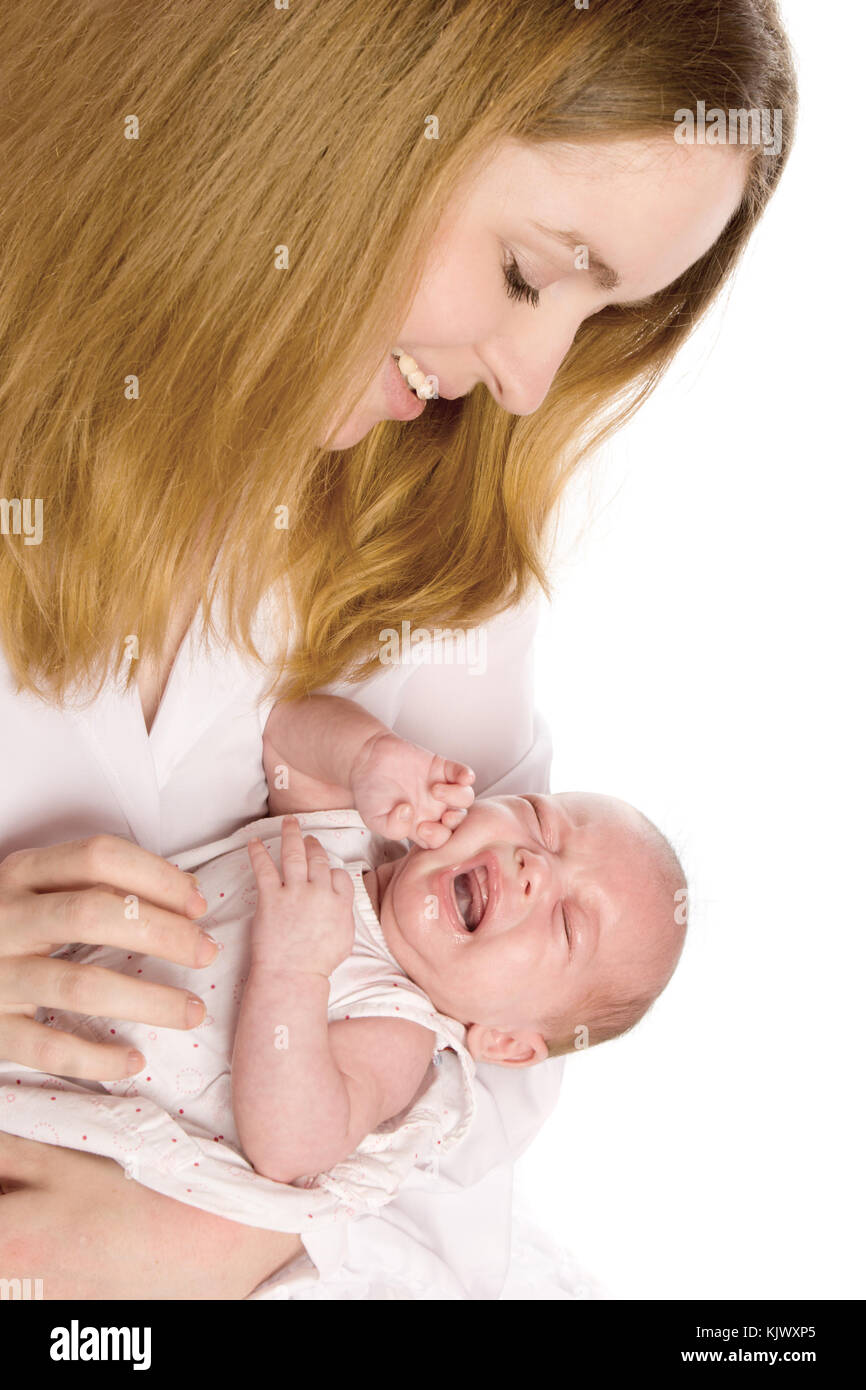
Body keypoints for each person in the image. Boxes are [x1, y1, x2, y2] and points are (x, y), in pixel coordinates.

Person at [0, 0, 796, 1299]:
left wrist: (197, 1247)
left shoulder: (433, 527)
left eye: (597, 314)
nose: (532, 380)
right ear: (326, 131)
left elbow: (481, 1091)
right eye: (532, 273)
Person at [0, 695, 687, 1252]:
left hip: (74, 1127)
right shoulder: (341, 840)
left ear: (505, 1042)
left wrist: (295, 970)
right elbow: (286, 741)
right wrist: (365, 754)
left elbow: (292, 1148)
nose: (535, 868)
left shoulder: (400, 1030)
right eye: (541, 822)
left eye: (568, 924)